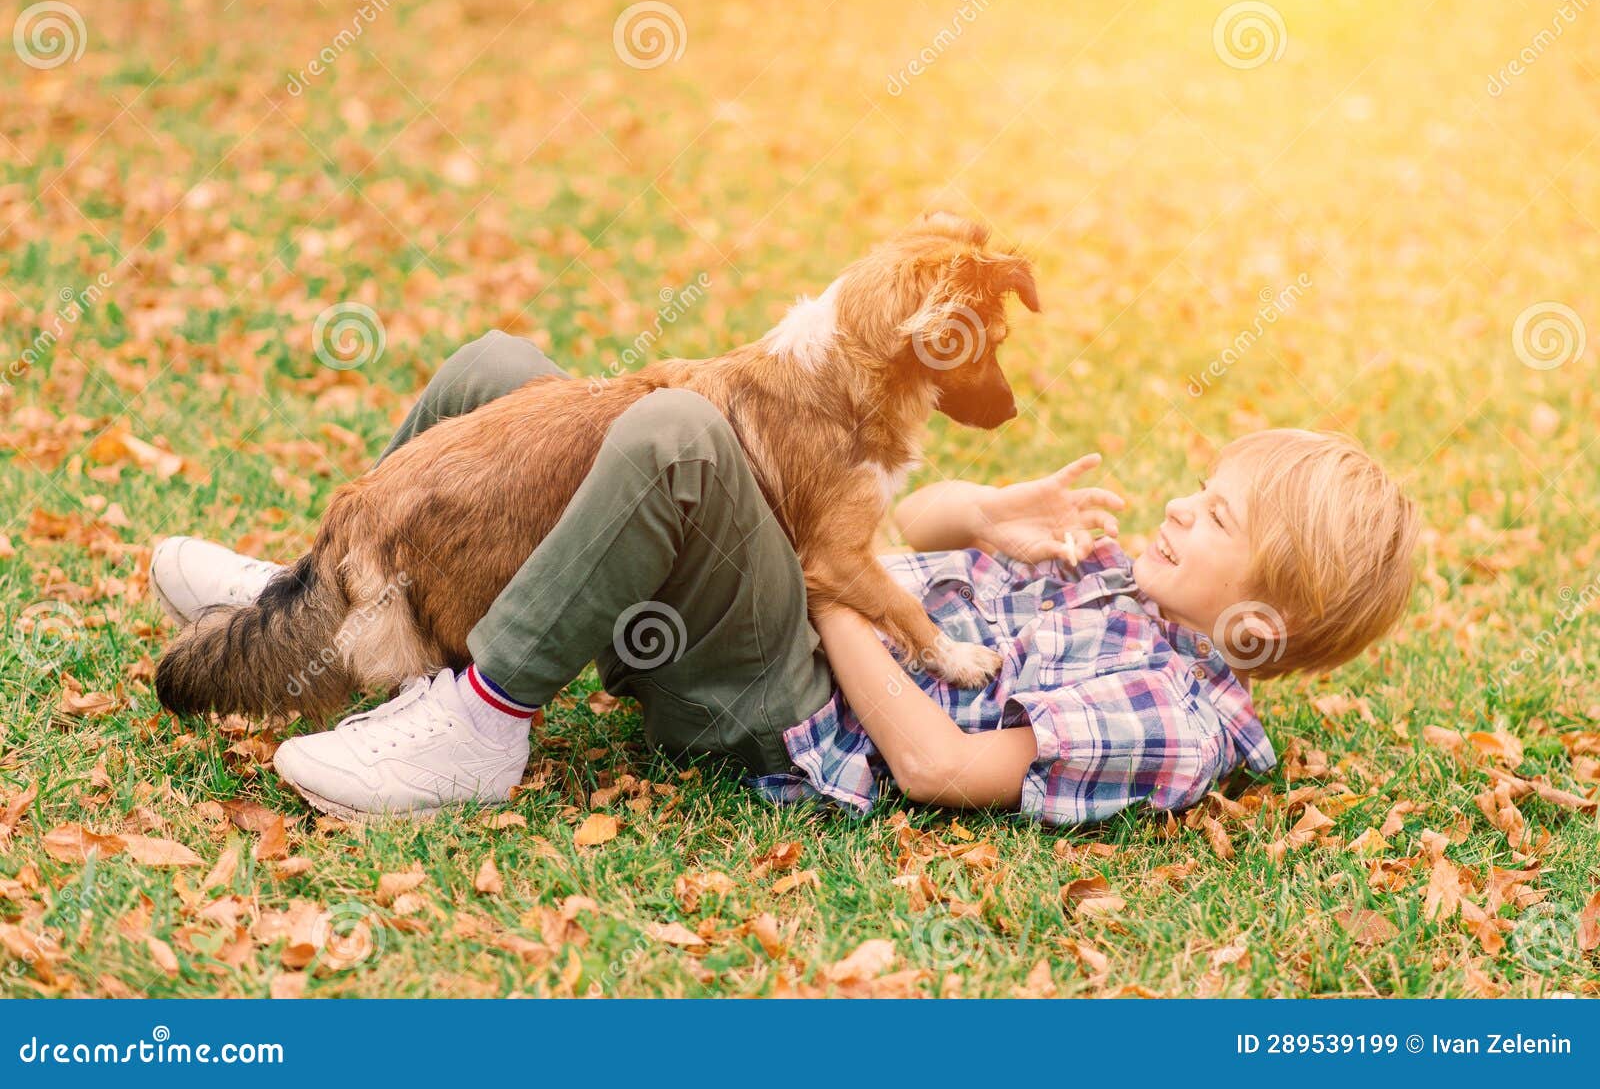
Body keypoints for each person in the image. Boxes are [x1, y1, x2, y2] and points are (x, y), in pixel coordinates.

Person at [150, 331, 1420, 824]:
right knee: (504, 376)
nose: (1181, 505)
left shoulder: (1171, 712)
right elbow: (904, 533)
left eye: (1218, 516)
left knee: (675, 439)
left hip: (787, 700)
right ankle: (331, 588)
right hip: (791, 614)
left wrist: (825, 586)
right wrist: (980, 512)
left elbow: (937, 763)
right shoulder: (1115, 585)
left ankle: (482, 725)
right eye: (1201, 487)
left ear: (1264, 621)